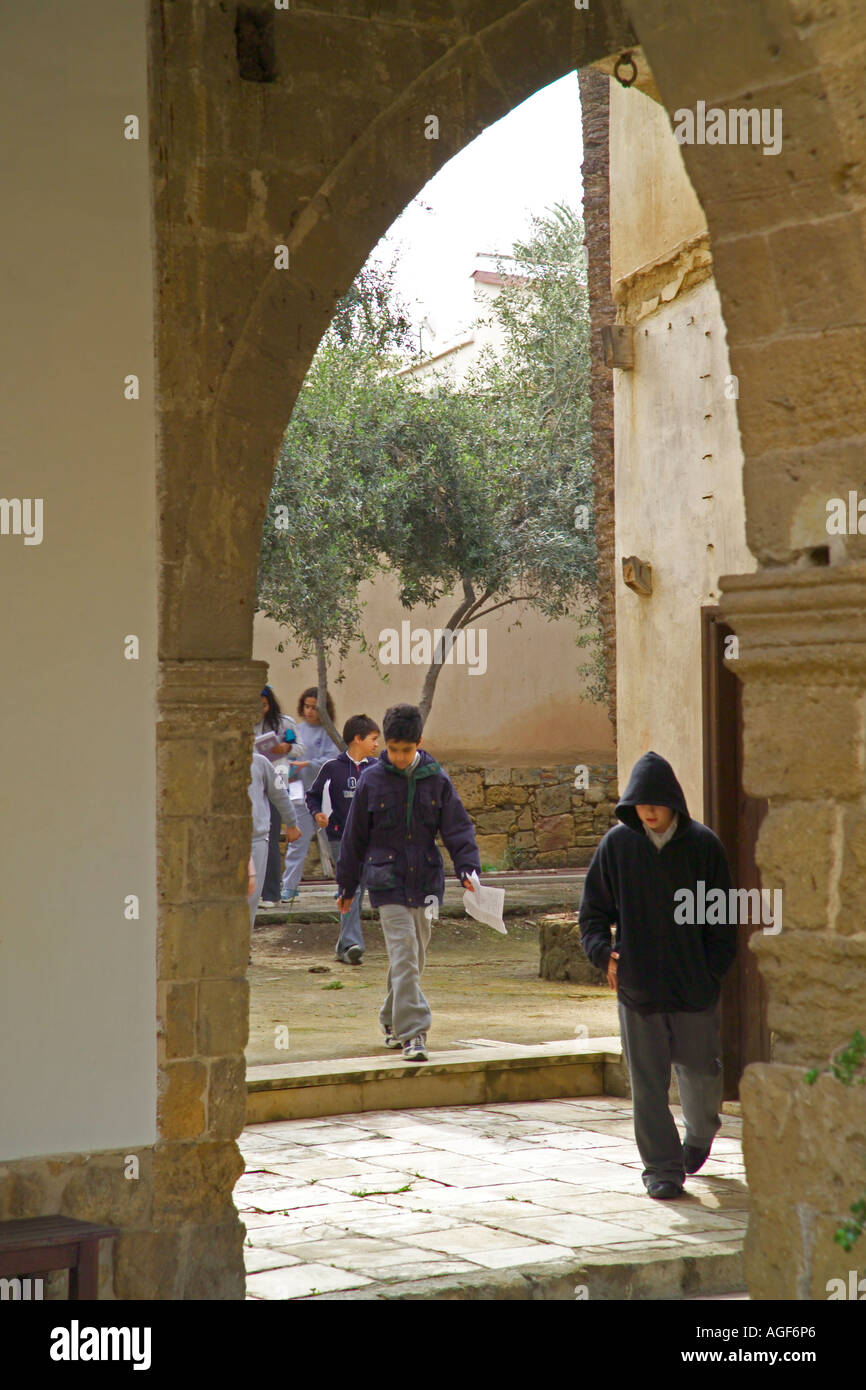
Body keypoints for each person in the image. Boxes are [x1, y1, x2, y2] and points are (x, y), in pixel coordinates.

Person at [579, 750, 737, 1200]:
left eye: (654, 802)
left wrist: (711, 974)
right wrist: (603, 953)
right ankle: (662, 1169)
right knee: (647, 1084)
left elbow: (723, 920)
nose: (646, 811)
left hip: (694, 989)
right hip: (639, 986)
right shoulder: (618, 845)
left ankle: (699, 1138)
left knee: (703, 1075)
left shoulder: (704, 846)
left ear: (673, 802)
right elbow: (592, 913)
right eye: (638, 803)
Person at [336, 702, 480, 1063]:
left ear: (418, 743)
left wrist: (467, 869)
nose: (399, 757)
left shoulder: (436, 778)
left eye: (407, 750)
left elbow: (457, 828)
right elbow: (354, 837)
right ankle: (414, 1033)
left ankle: (389, 1017)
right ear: (386, 744)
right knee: (403, 954)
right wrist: (347, 886)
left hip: (427, 883)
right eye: (393, 749)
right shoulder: (372, 780)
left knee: (413, 958)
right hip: (385, 882)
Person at [307, 714, 380, 965]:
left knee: (358, 893)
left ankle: (343, 945)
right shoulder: (332, 768)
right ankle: (352, 944)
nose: (376, 744)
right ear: (357, 739)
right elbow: (312, 796)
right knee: (352, 889)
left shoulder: (377, 769)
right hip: (341, 838)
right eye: (373, 739)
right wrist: (318, 813)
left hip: (370, 841)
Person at [279, 687, 341, 904]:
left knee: (334, 842)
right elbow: (288, 752)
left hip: (326, 797)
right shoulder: (296, 730)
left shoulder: (329, 732)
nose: (310, 711)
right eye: (306, 706)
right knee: (297, 841)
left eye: (314, 707)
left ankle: (345, 885)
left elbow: (332, 760)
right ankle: (289, 886)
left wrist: (308, 764)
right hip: (301, 794)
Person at [254, 686, 307, 904]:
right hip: (253, 786)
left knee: (272, 839)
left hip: (277, 782)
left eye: (264, 706)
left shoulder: (284, 723)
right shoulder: (244, 722)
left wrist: (286, 748)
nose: (260, 711)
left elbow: (299, 747)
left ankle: (271, 893)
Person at [248, 753, 302, 944]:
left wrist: (291, 823)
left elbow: (279, 794)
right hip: (223, 839)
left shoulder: (260, 762)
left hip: (256, 838)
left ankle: (243, 945)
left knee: (251, 895)